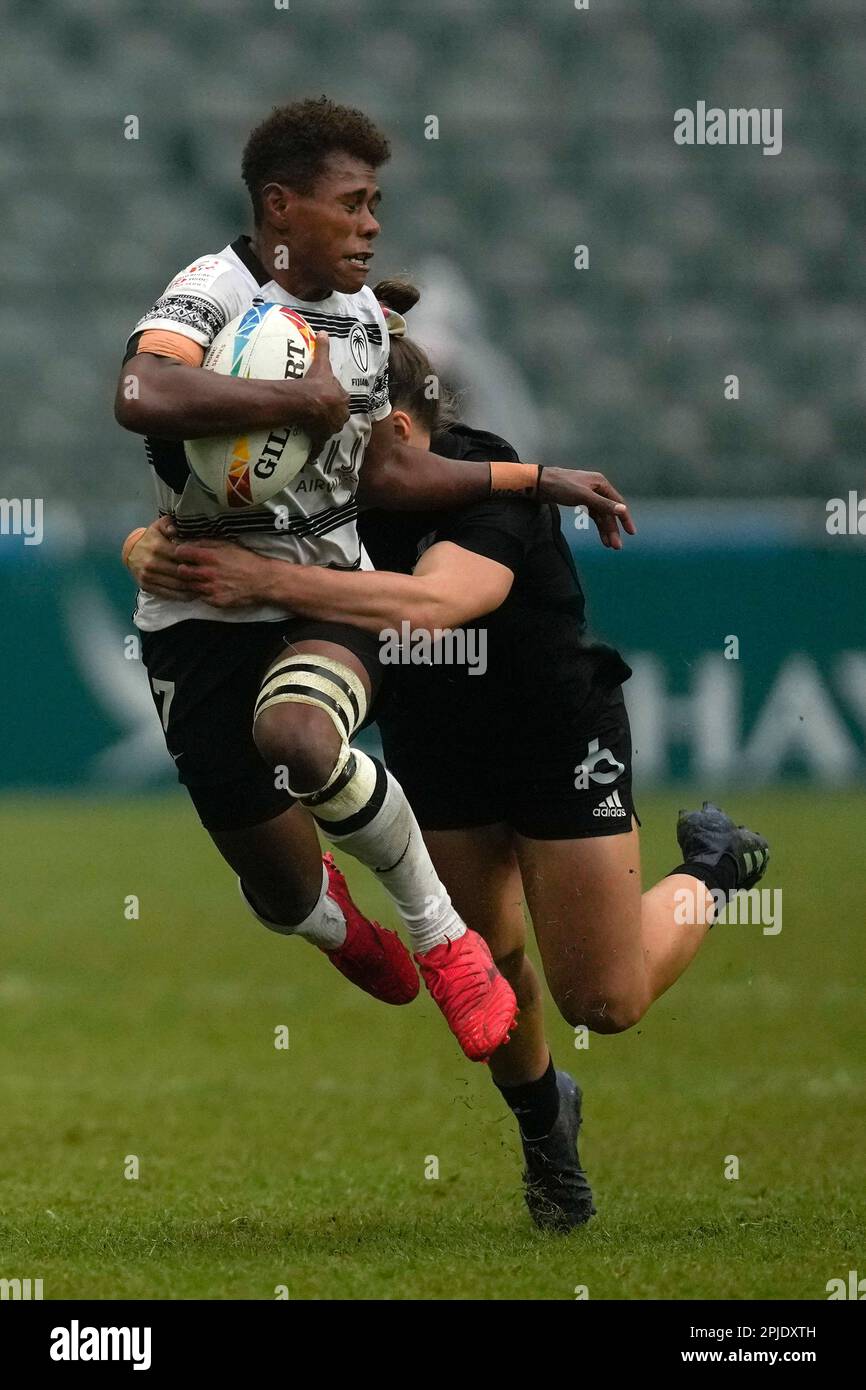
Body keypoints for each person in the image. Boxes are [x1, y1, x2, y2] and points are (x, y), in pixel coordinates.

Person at [127, 279, 770, 1232]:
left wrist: (266, 577)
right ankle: (546, 1132)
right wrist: (150, 547)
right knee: (486, 962)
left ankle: (714, 867)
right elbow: (195, 523)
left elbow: (431, 606)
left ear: (409, 421)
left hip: (556, 735)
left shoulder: (482, 478)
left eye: (378, 438)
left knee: (603, 999)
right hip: (437, 740)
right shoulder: (326, 484)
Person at [114, 96, 635, 1065]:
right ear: (279, 209)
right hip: (195, 609)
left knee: (298, 732)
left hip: (320, 597)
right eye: (351, 204)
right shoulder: (214, 290)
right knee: (279, 886)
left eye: (375, 203)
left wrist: (533, 476)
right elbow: (138, 393)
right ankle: (333, 924)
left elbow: (385, 473)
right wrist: (288, 397)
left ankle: (441, 941)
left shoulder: (360, 323)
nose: (371, 224)